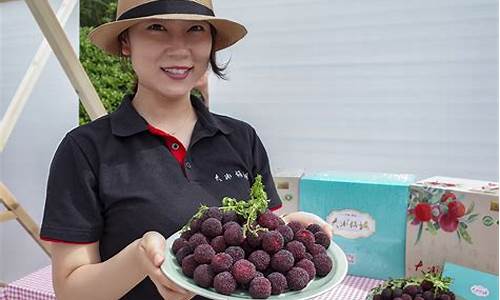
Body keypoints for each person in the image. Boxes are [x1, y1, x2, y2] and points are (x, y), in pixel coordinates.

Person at [39, 0, 333, 299]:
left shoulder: (242, 137)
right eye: (157, 28)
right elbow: (70, 289)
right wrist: (138, 258)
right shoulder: (84, 150)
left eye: (195, 29)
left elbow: (260, 235)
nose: (179, 49)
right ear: (126, 41)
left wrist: (293, 231)